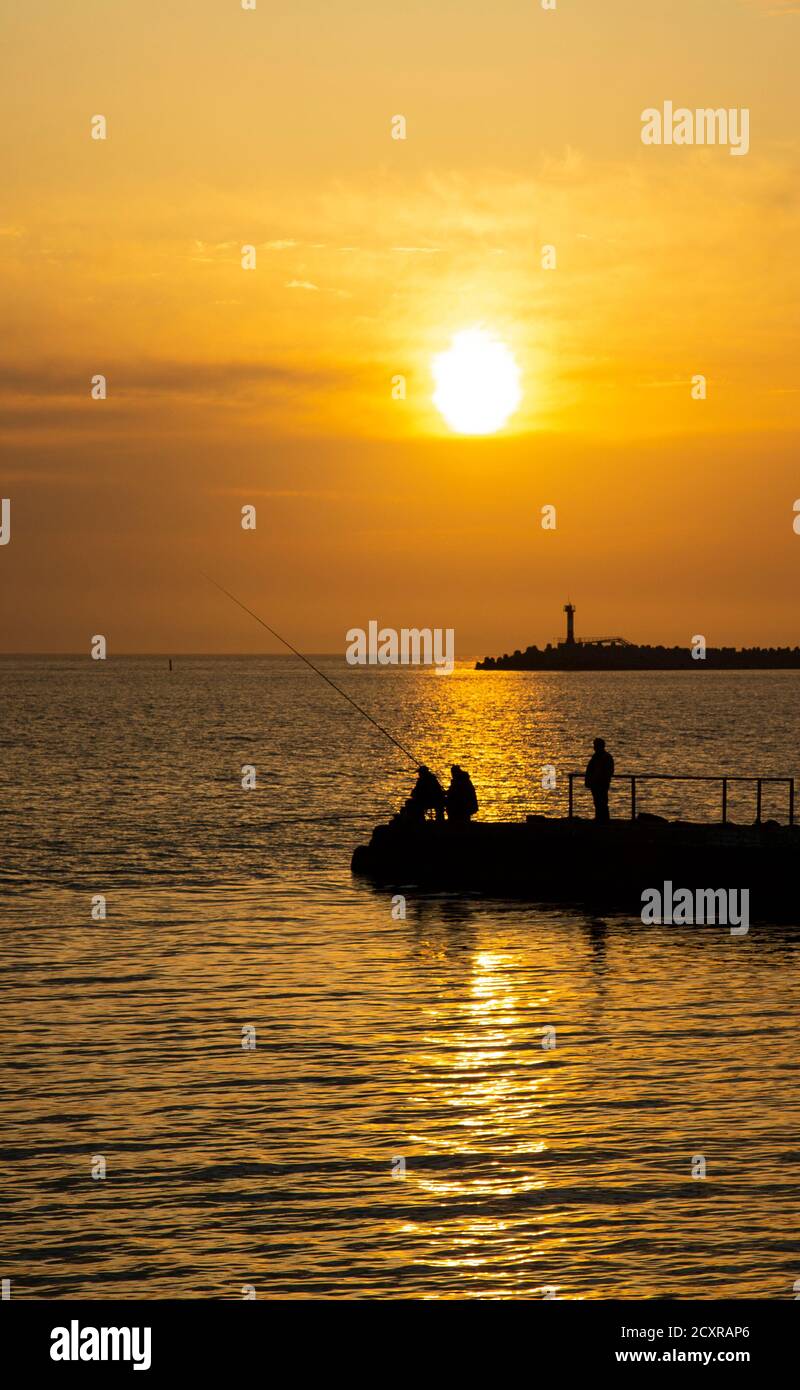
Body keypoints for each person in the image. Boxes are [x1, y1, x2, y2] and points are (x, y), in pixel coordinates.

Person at [584, 737, 614, 822]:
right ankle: (600, 818)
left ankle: (603, 819)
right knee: (598, 802)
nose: (594, 747)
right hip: (596, 783)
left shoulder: (605, 757)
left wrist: (600, 778)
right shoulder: (598, 757)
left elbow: (609, 771)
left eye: (596, 745)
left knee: (602, 802)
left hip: (601, 783)